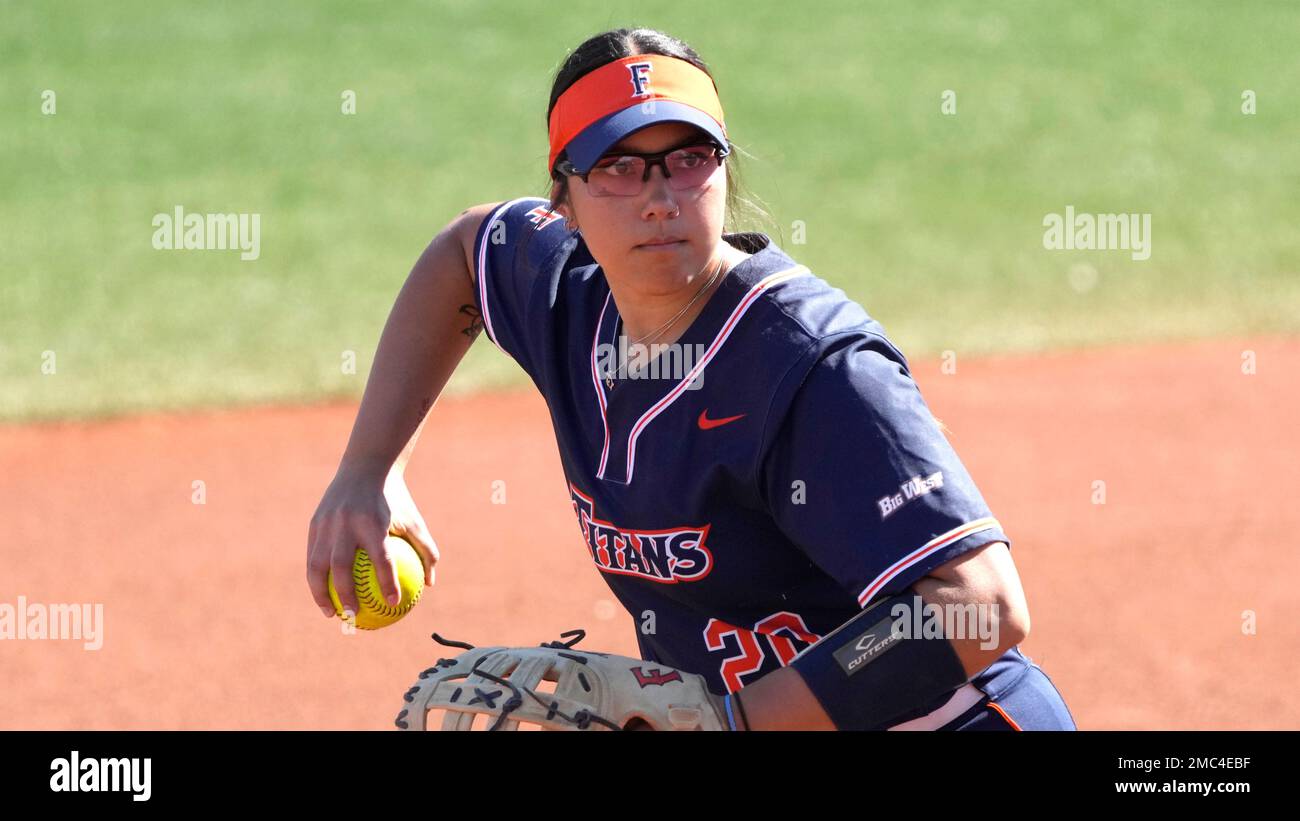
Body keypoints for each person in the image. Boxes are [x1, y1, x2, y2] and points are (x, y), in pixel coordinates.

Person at [306, 27, 1076, 731]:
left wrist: (735, 720)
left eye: (689, 159)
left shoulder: (808, 367)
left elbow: (982, 605)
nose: (659, 197)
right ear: (563, 200)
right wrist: (370, 469)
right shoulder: (565, 303)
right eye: (617, 167)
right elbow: (463, 254)